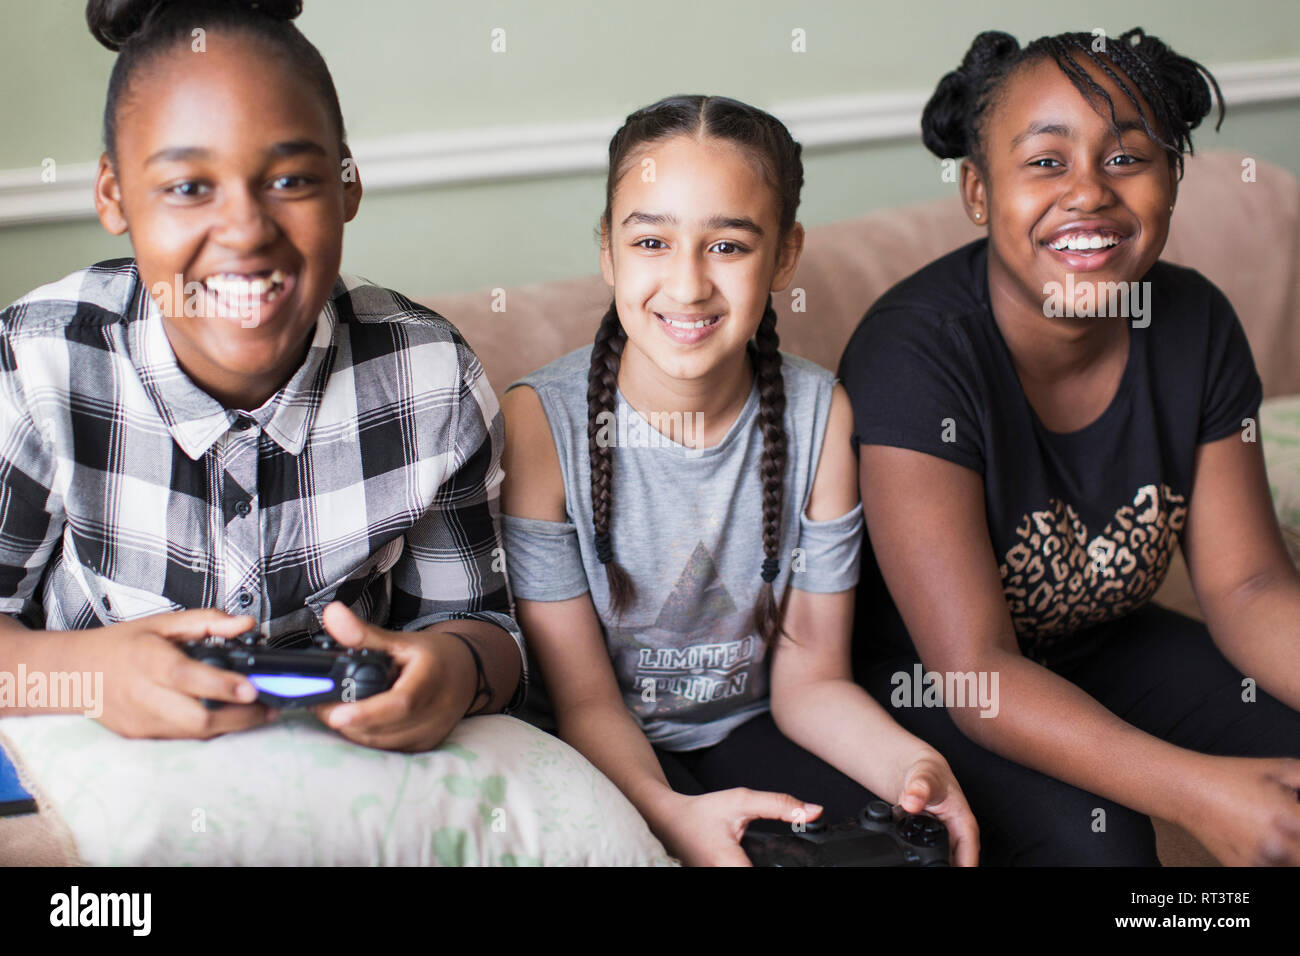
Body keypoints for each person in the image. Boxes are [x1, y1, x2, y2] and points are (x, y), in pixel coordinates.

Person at [0, 0, 524, 751]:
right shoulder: (38, 364)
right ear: (114, 195)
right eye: (188, 187)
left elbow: (487, 632)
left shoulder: (429, 376)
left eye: (290, 180)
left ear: (347, 184)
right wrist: (89, 674)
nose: (246, 231)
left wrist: (454, 668)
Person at [840, 27, 1300, 865]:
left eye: (1128, 158)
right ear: (978, 192)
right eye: (1047, 162)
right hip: (927, 681)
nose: (1089, 193)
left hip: (1105, 644)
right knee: (1102, 844)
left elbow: (1250, 585)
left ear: (1174, 178)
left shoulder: (1195, 322)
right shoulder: (914, 355)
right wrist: (1201, 793)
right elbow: (976, 668)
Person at [500, 94, 978, 866]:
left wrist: (912, 767)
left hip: (753, 724)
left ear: (785, 254)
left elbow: (812, 682)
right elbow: (585, 702)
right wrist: (668, 813)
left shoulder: (823, 416)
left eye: (727, 247)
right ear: (607, 252)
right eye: (651, 241)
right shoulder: (538, 426)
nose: (687, 286)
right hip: (593, 746)